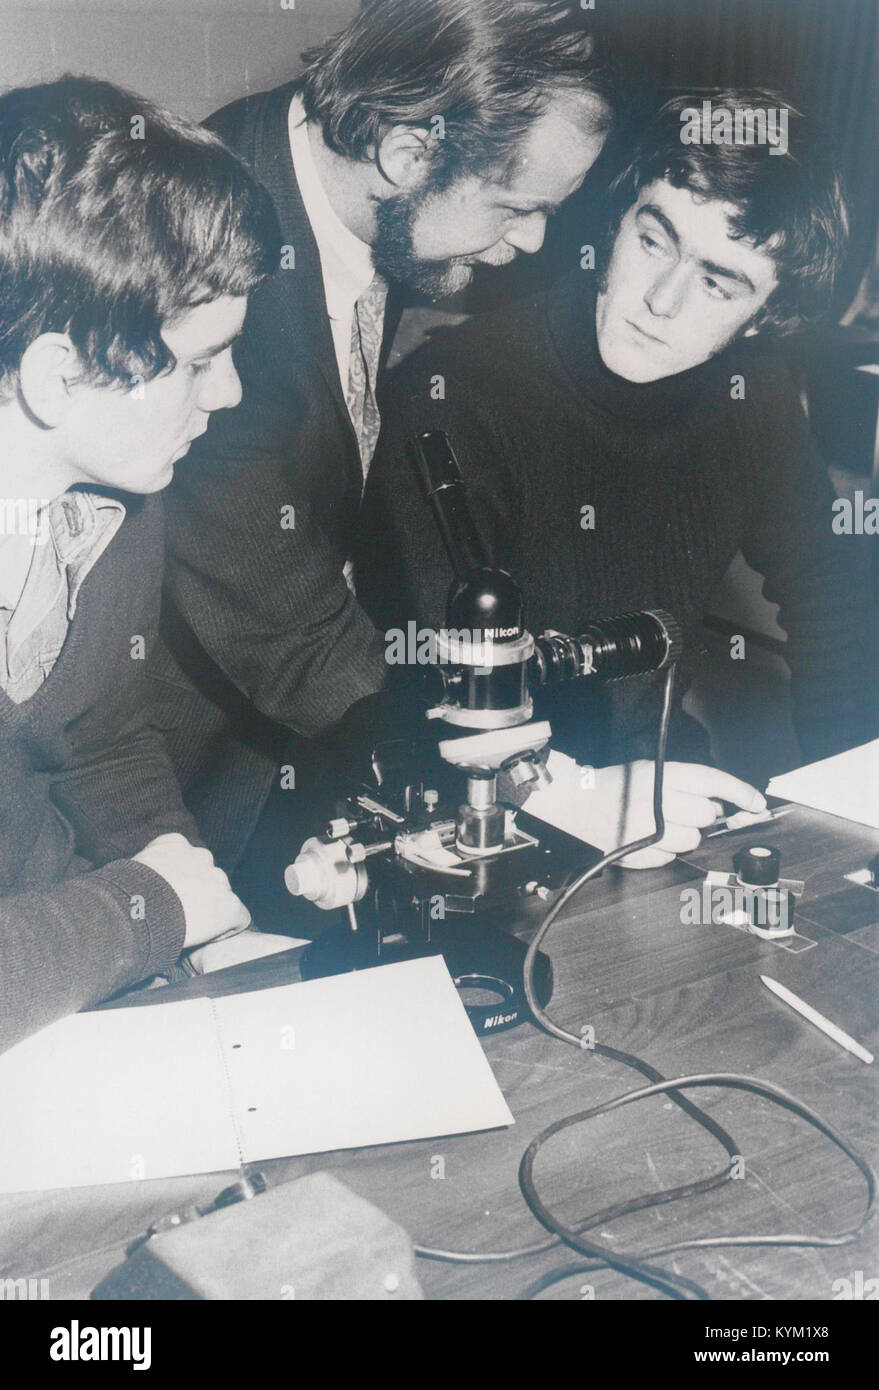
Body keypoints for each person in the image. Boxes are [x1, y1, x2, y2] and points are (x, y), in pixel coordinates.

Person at [149, 0, 616, 879]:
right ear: (408, 153)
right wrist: (536, 780)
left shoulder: (350, 189)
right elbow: (280, 613)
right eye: (516, 207)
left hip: (284, 717)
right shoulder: (204, 259)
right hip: (171, 775)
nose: (531, 241)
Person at [356, 90, 878, 859]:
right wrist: (589, 794)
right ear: (616, 220)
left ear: (764, 318)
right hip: (480, 811)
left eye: (716, 283)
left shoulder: (754, 397)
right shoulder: (454, 396)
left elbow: (832, 603)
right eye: (654, 239)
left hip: (659, 785)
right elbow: (441, 698)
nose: (659, 301)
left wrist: (854, 815)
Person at [0, 76, 279, 1051]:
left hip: (71, 997)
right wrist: (149, 908)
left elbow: (107, 747)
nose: (232, 393)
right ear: (57, 377)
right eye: (200, 362)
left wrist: (211, 934)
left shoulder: (118, 500)